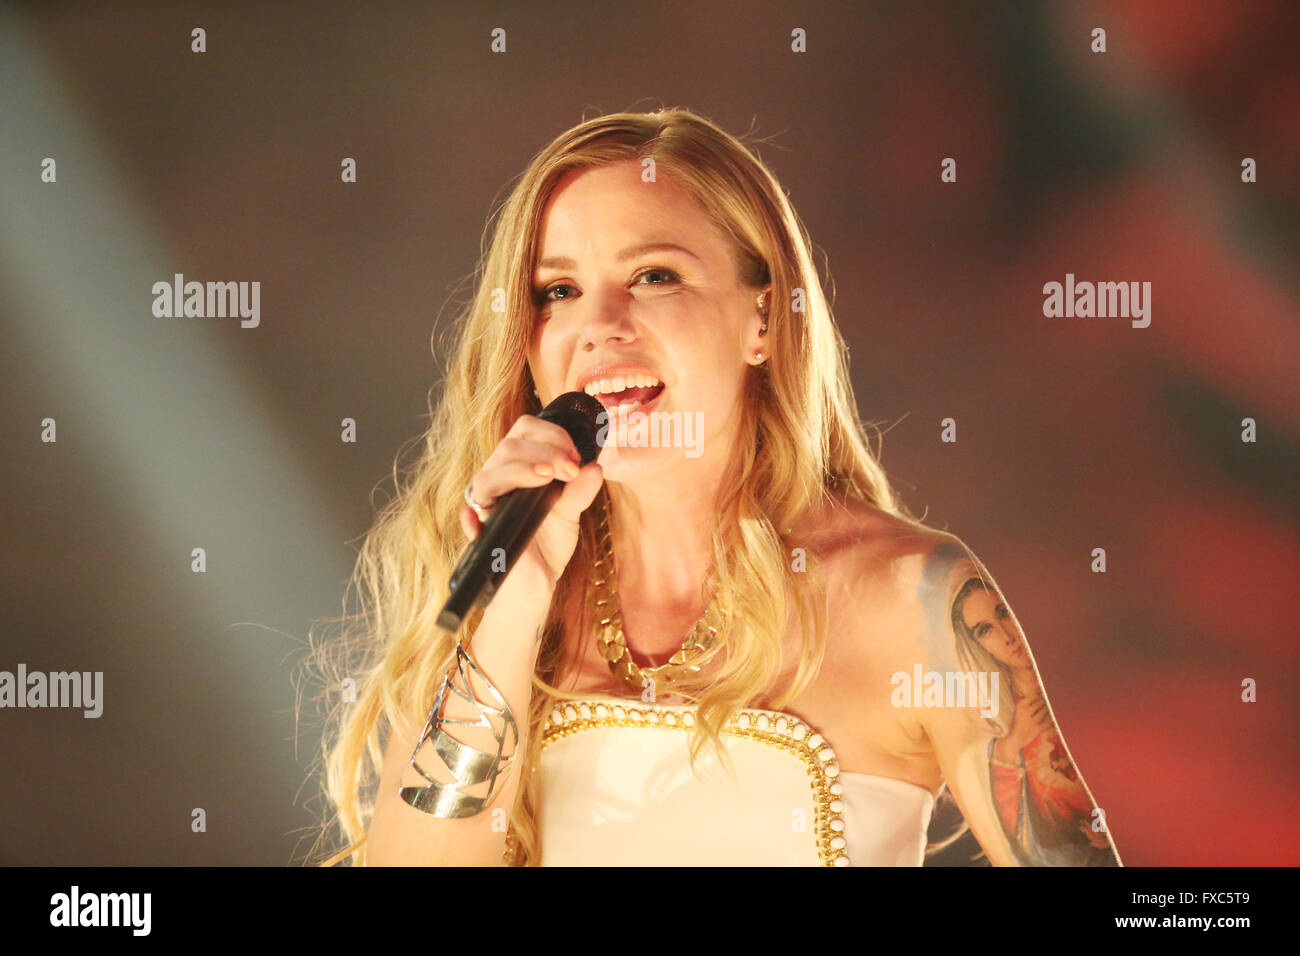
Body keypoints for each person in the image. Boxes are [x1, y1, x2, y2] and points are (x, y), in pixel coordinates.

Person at [308, 107, 1122, 867]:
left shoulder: (913, 599)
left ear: (763, 320)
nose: (600, 324)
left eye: (656, 275)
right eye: (558, 291)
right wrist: (515, 596)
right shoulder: (505, 590)